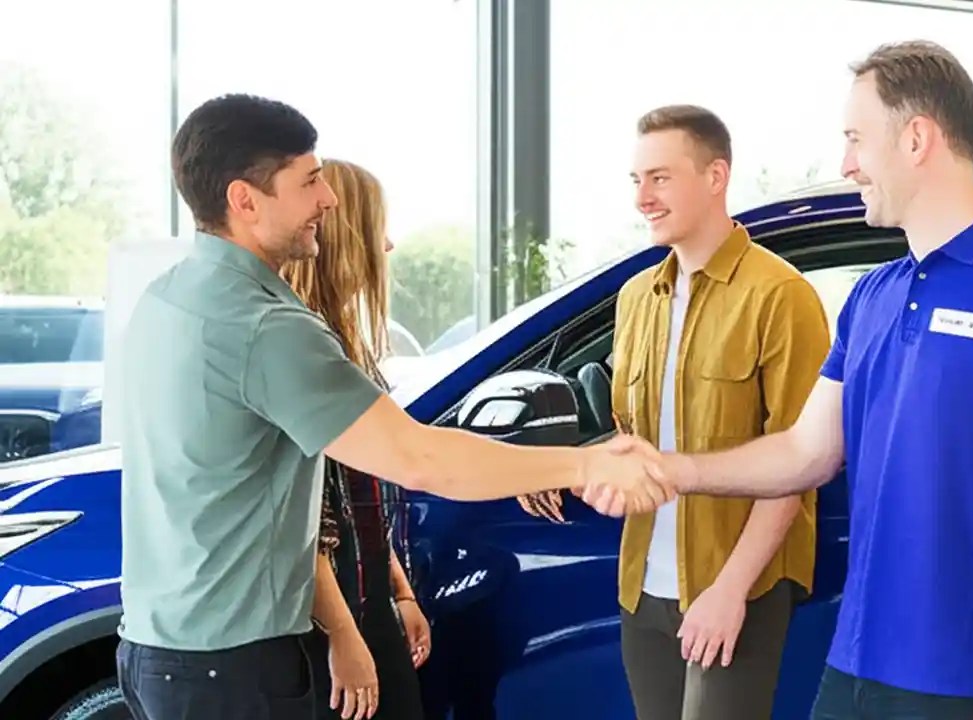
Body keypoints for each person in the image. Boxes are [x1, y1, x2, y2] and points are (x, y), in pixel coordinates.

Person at [587, 41, 973, 720]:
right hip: (855, 665)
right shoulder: (872, 296)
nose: (845, 164)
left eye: (855, 139)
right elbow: (807, 452)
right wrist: (672, 469)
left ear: (917, 138)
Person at [114, 93, 670, 720]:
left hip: (158, 654)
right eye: (310, 182)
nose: (327, 200)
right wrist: (585, 466)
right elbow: (419, 457)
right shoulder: (266, 328)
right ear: (244, 200)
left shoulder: (165, 300)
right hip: (237, 668)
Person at [519, 105, 829, 720]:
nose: (643, 198)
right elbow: (635, 440)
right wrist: (558, 465)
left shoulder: (781, 296)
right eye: (636, 180)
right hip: (643, 589)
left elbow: (800, 459)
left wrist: (730, 592)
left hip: (737, 583)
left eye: (660, 177)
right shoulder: (637, 298)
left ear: (716, 176)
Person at [279, 159, 428, 720]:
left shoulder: (348, 344)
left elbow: (359, 495)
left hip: (367, 605)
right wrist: (343, 635)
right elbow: (305, 518)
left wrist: (399, 593)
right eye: (377, 230)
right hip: (331, 621)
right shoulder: (301, 348)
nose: (387, 246)